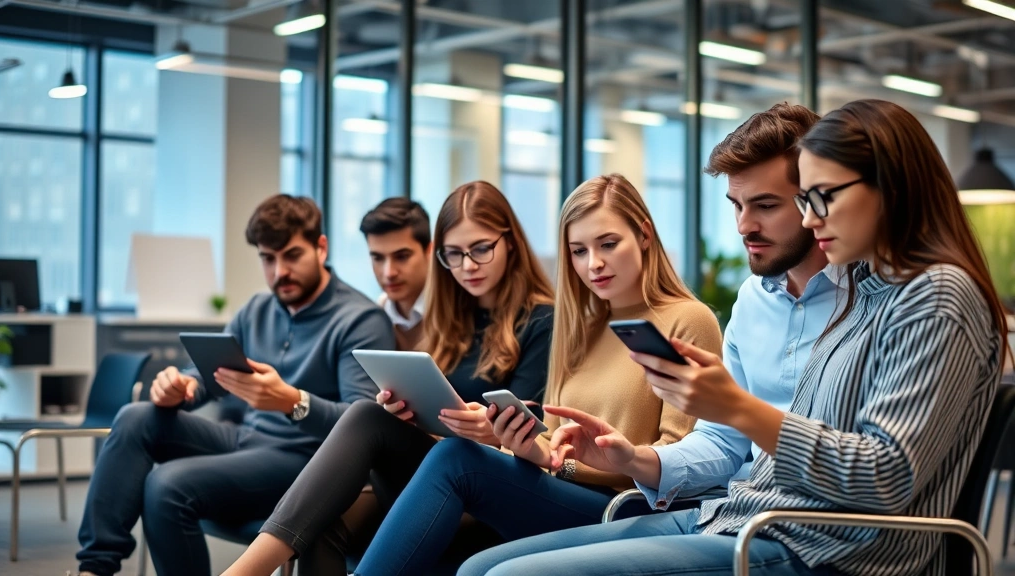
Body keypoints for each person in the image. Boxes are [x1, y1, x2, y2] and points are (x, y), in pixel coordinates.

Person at [457, 99, 1009, 576]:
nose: (812, 219)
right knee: (480, 566)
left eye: (818, 198)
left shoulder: (929, 296)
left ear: (889, 188)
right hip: (751, 519)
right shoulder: (862, 297)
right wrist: (637, 458)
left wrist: (739, 409)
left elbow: (882, 478)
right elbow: (739, 450)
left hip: (819, 546)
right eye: (805, 200)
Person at [457, 102, 845, 574]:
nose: (743, 226)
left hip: (786, 528)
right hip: (723, 513)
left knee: (488, 539)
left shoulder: (872, 304)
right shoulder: (752, 301)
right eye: (737, 206)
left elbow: (872, 472)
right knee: (475, 568)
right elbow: (721, 445)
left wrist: (595, 465)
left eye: (764, 205)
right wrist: (635, 457)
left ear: (813, 201)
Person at [351, 173, 724, 576]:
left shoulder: (686, 320)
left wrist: (562, 461)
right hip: (561, 488)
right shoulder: (581, 326)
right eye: (578, 250)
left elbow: (680, 461)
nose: (593, 263)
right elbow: (551, 439)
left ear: (645, 236)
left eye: (608, 244)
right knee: (466, 546)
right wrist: (523, 445)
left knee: (456, 460)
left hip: (625, 506)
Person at [221, 181, 555, 576]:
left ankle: (245, 571)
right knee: (324, 522)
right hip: (439, 467)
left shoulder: (542, 321)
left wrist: (489, 430)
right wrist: (410, 413)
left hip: (494, 484)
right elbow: (437, 422)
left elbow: (535, 437)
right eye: (454, 254)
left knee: (365, 416)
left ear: (511, 243)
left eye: (481, 249)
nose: (467, 265)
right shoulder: (450, 321)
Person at [74, 195, 395, 576]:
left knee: (166, 486)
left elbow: (365, 423)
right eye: (268, 259)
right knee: (135, 416)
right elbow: (205, 376)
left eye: (291, 255)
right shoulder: (255, 310)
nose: (280, 272)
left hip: (306, 461)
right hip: (246, 440)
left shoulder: (360, 320)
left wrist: (293, 401)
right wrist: (182, 386)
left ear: (321, 247)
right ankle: (94, 569)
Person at [361, 197, 432, 351]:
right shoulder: (373, 317)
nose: (389, 273)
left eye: (402, 257)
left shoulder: (457, 313)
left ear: (429, 251)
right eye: (378, 258)